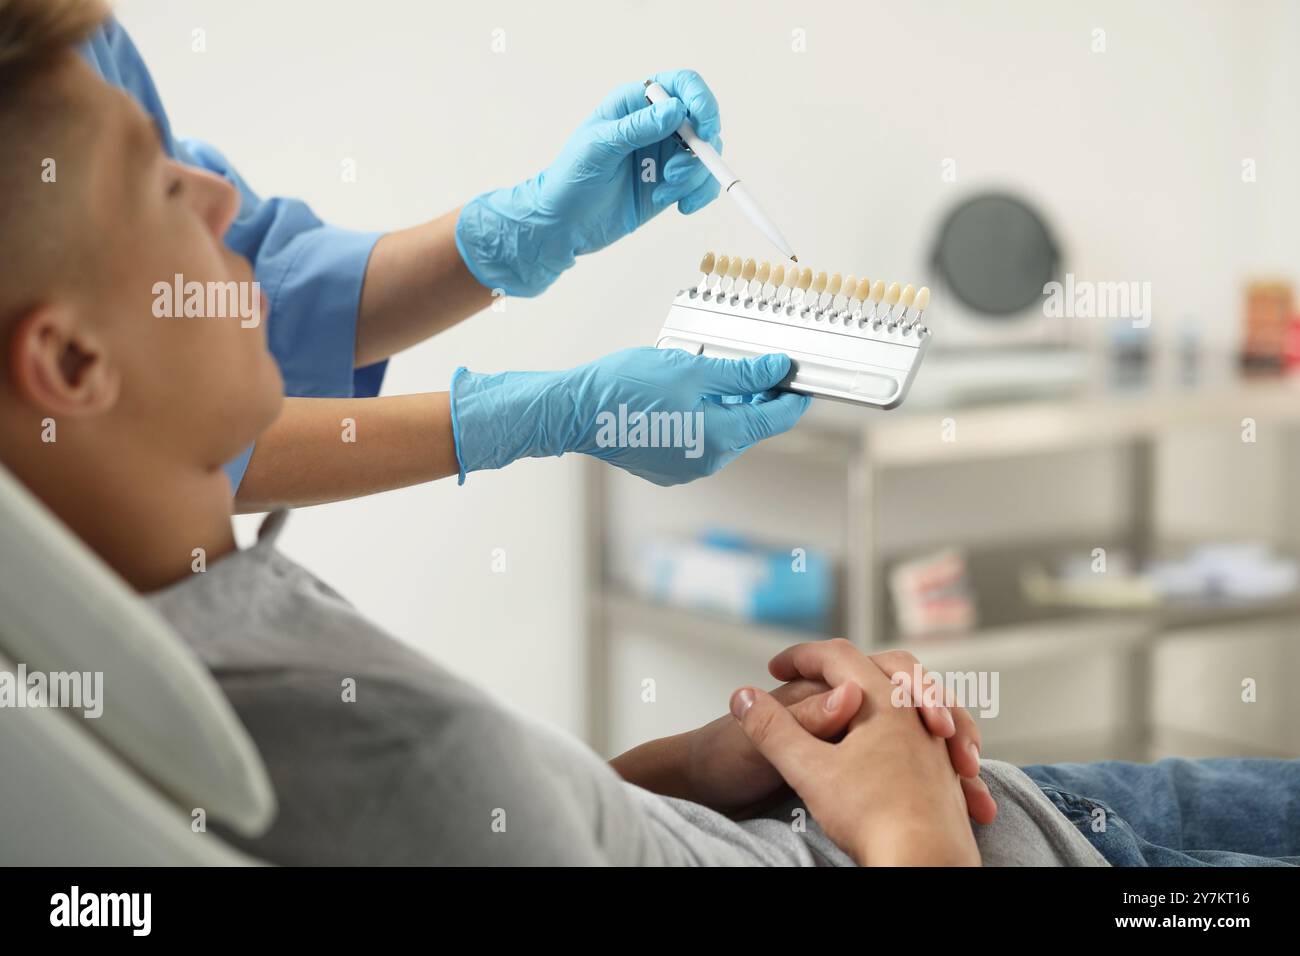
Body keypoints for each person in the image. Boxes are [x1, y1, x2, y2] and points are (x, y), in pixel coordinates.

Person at [3, 0, 1297, 867]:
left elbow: (514, 829)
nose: (226, 192)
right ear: (63, 360)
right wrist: (908, 837)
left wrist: (710, 764)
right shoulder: (303, 717)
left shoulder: (197, 641)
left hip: (942, 812)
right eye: (168, 182)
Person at [77, 7, 809, 509]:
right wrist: (542, 417)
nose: (216, 197)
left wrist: (531, 228)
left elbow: (262, 294)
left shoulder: (78, 34)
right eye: (160, 183)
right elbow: (111, 434)